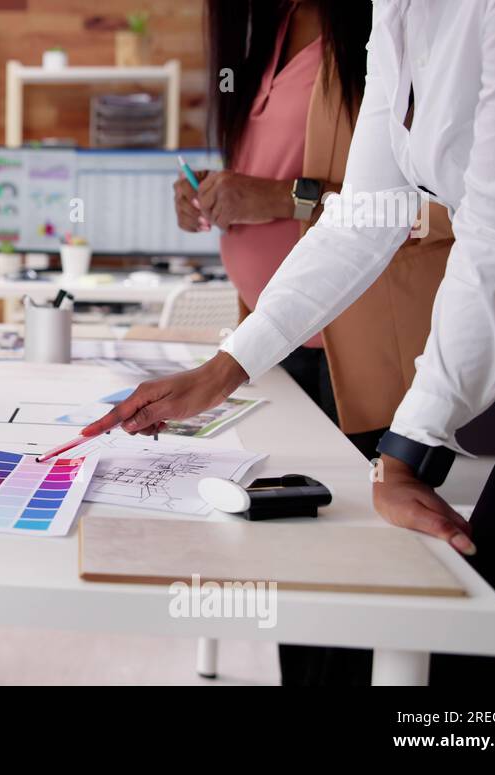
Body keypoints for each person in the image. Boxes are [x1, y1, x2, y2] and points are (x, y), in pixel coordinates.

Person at [92, 0, 495, 685]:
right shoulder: (396, 10)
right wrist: (223, 369)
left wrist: (408, 445)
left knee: (483, 652)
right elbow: (365, 217)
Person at [180, 0, 453, 685]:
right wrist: (217, 198)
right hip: (277, 347)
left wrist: (278, 198)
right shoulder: (266, 37)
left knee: (347, 581)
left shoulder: (374, 31)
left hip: (359, 353)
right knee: (293, 567)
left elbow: (426, 213)